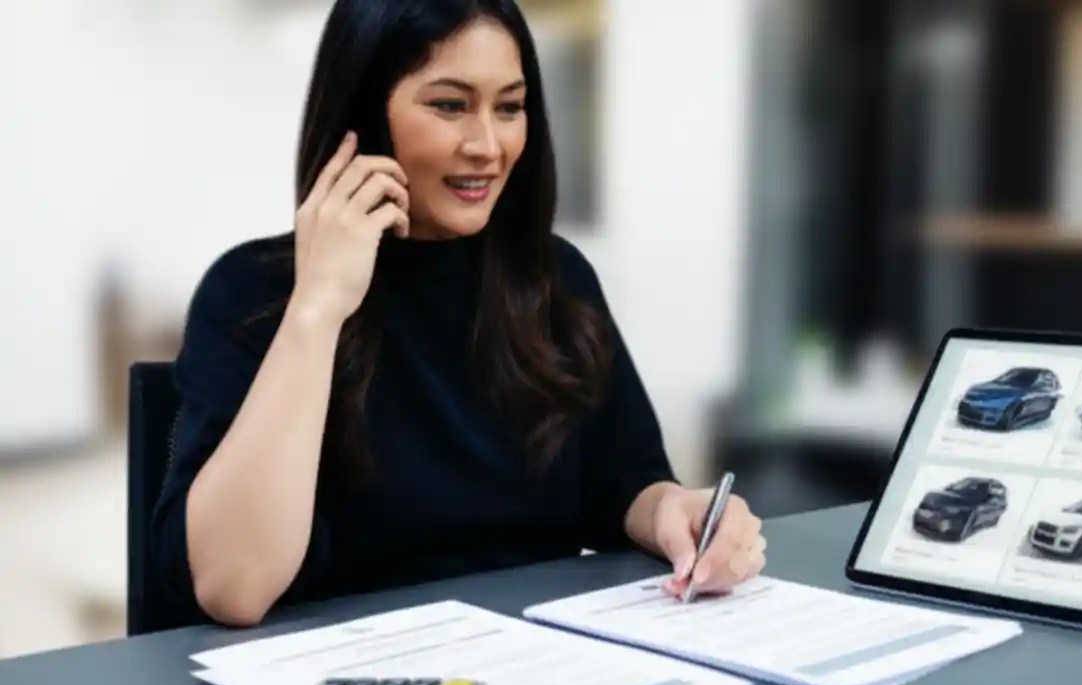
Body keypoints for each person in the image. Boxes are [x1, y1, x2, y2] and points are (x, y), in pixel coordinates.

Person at [150, 0, 766, 628]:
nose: (488, 145)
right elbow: (234, 586)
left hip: (539, 667)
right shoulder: (251, 293)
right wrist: (318, 307)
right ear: (363, 114)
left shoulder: (556, 278)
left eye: (509, 107)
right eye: (449, 105)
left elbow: (626, 483)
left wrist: (673, 511)